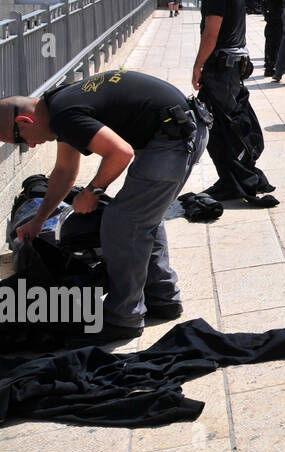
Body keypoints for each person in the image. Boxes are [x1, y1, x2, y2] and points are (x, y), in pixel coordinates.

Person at [2, 70, 210, 343]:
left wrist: (93, 191)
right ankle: (162, 298)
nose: (29, 145)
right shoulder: (57, 105)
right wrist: (39, 220)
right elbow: (64, 170)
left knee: (123, 223)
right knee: (142, 217)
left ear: (24, 121)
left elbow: (121, 153)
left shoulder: (64, 114)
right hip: (176, 128)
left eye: (21, 140)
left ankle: (123, 318)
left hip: (174, 135)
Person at [191, 0, 276, 201]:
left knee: (221, 129)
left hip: (220, 69)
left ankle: (235, 181)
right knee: (229, 126)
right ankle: (234, 178)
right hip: (232, 66)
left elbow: (211, 34)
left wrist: (197, 67)